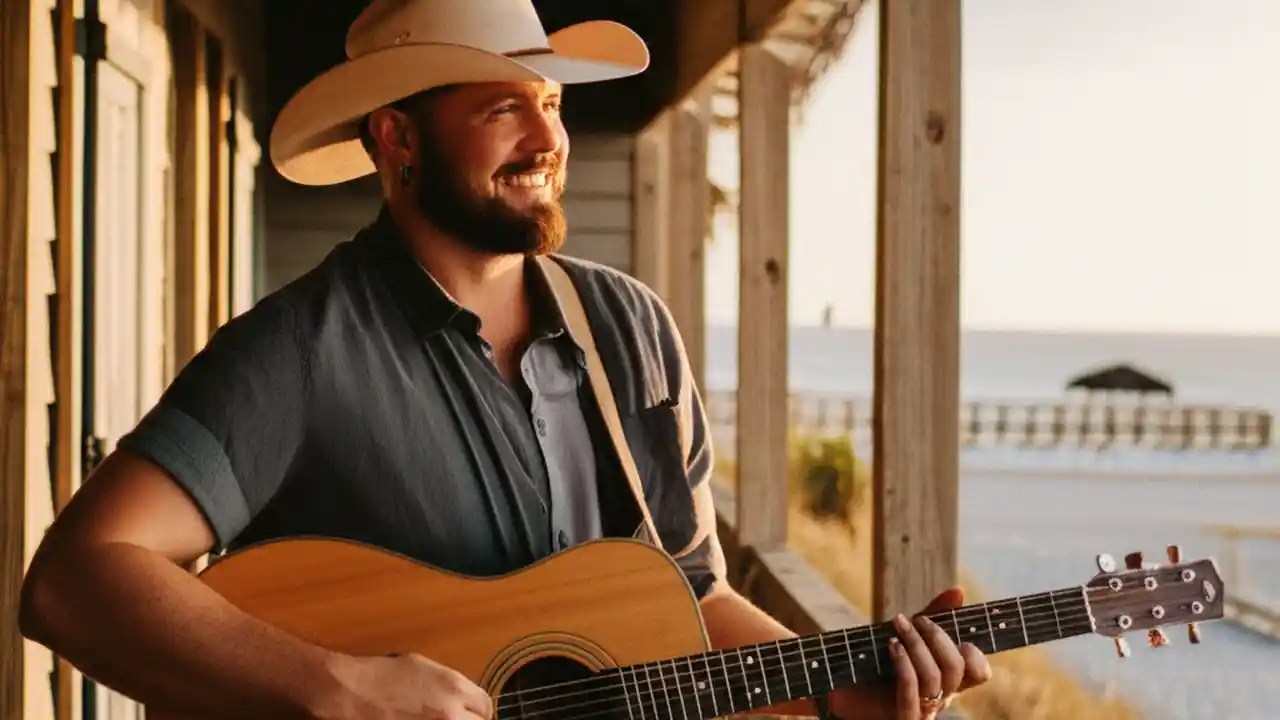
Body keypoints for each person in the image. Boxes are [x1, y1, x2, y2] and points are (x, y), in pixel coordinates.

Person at [18, 0, 991, 718]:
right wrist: (337, 688)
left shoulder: (632, 330)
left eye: (551, 102)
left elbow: (691, 597)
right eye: (501, 110)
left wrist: (831, 693)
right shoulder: (300, 349)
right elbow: (73, 580)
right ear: (398, 138)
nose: (547, 139)